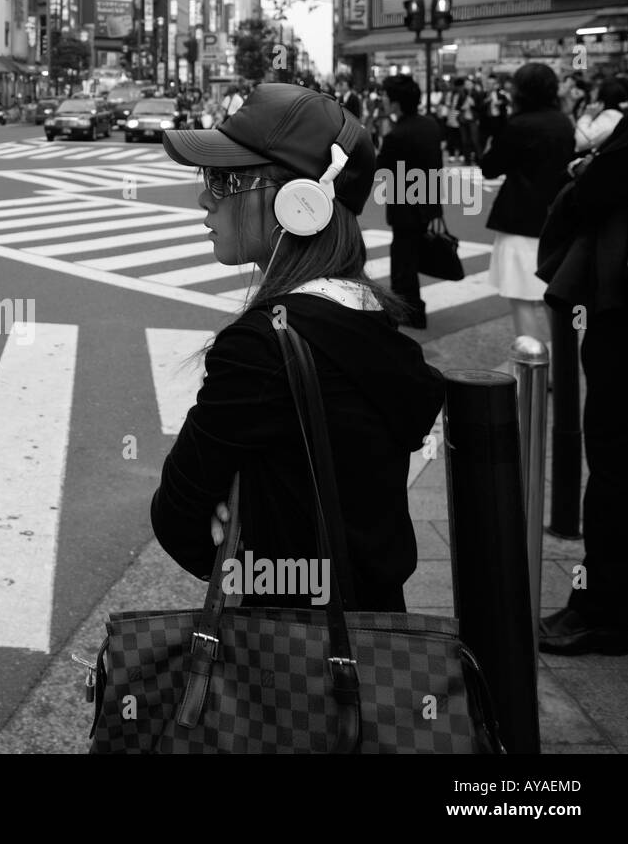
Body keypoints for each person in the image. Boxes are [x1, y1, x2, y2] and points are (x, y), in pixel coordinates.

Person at [152, 83, 443, 612]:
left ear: (299, 202)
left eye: (222, 179)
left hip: (285, 667)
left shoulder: (264, 347)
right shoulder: (372, 323)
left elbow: (176, 516)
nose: (204, 196)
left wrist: (236, 524)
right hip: (376, 646)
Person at [536, 114, 628, 655]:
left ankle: (603, 609)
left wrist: (586, 168)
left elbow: (595, 190)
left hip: (623, 319)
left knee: (617, 464)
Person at [480, 62, 574, 352]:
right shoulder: (562, 121)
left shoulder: (520, 125)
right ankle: (562, 368)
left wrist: (494, 127)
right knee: (553, 297)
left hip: (519, 218)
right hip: (556, 219)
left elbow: (490, 167)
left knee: (522, 297)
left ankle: (534, 363)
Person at [377, 74, 443, 330]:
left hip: (404, 207)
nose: (382, 100)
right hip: (426, 203)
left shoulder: (397, 135)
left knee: (403, 261)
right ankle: (412, 310)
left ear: (396, 104)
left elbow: (380, 169)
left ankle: (409, 312)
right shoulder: (430, 125)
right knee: (410, 258)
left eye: (385, 97)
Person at [573, 81, 626, 153]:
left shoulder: (611, 117)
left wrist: (587, 116)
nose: (591, 93)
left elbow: (581, 142)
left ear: (604, 95)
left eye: (595, 91)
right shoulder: (610, 114)